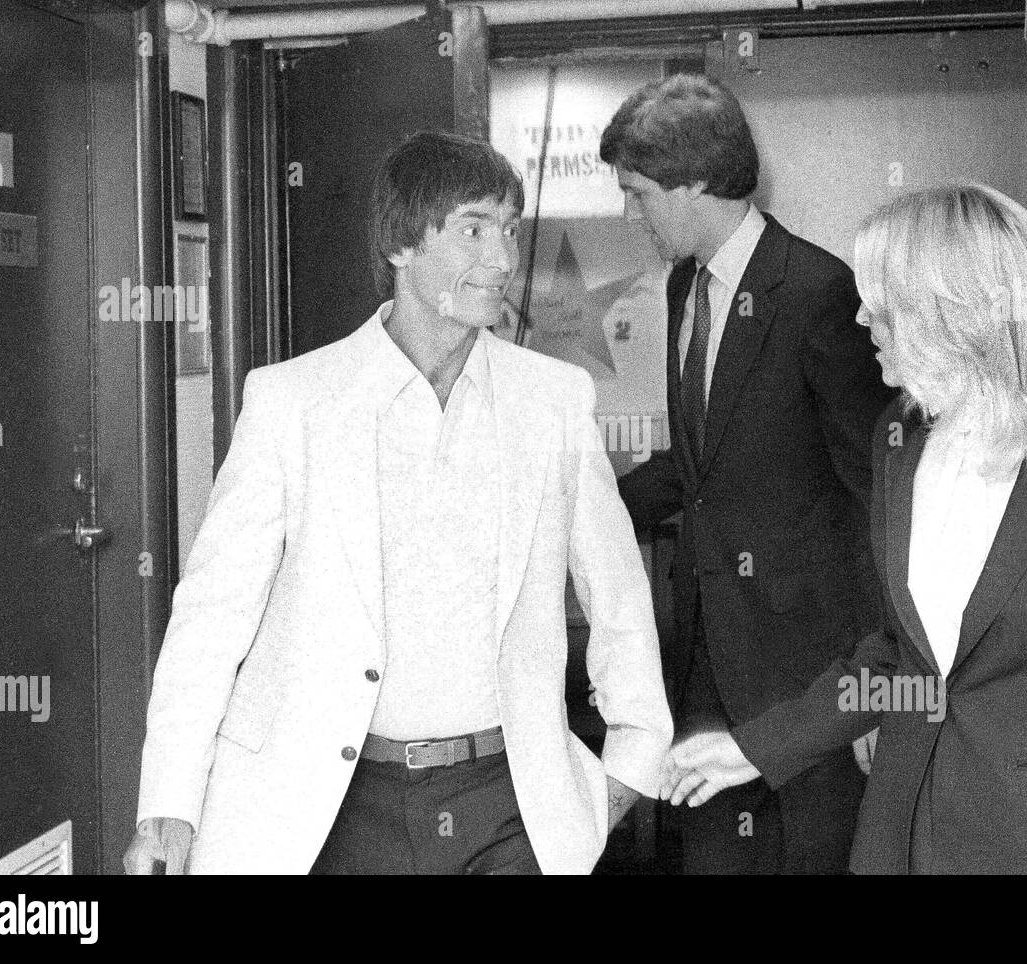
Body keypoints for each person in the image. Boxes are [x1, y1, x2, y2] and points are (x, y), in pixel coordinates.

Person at [123, 131, 672, 875]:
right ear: (402, 245)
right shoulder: (293, 402)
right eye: (474, 229)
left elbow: (616, 595)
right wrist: (168, 806)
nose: (504, 259)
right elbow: (210, 619)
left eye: (510, 230)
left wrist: (630, 764)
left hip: (510, 804)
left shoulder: (553, 401)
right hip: (335, 806)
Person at [664, 183, 1027, 874]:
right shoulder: (898, 441)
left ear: (956, 309)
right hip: (904, 840)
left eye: (883, 299)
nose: (863, 314)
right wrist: (759, 746)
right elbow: (906, 664)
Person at [600, 74, 895, 874]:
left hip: (811, 682)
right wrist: (581, 509)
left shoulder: (818, 292)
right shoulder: (682, 284)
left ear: (695, 181)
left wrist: (872, 696)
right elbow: (701, 470)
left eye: (637, 193)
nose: (632, 215)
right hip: (705, 674)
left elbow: (879, 494)